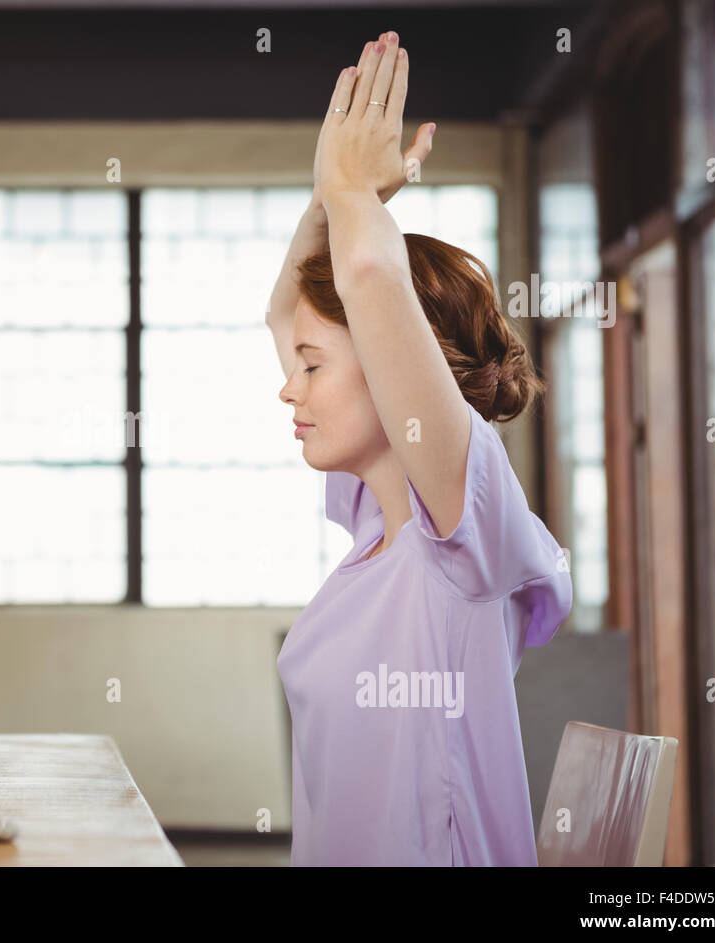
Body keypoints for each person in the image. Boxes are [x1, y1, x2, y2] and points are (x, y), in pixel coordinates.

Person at [269, 30, 573, 865]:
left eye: (313, 366)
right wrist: (335, 203)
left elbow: (369, 282)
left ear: (399, 370)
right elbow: (286, 311)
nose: (287, 386)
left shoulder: (459, 523)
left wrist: (351, 188)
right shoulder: (379, 522)